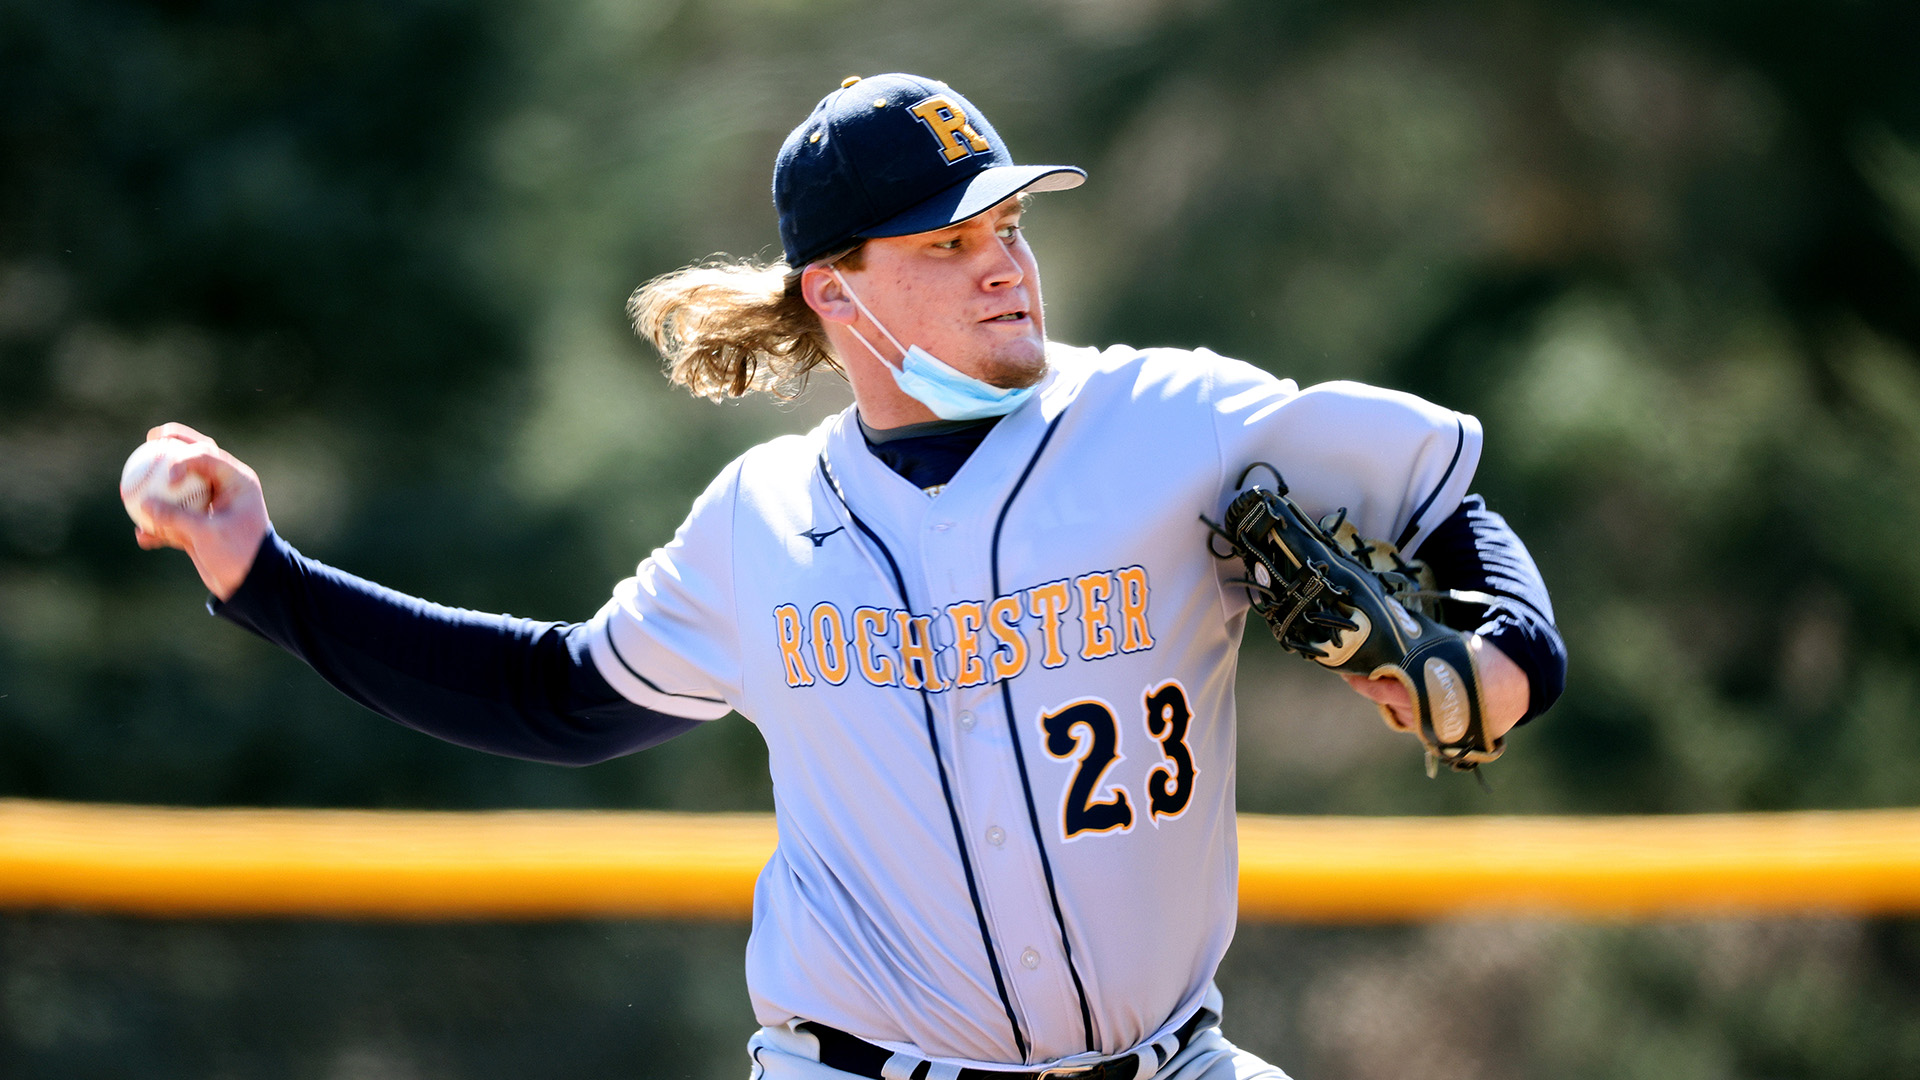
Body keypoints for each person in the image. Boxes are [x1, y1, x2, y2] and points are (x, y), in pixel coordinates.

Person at [134, 73, 1565, 1080]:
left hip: (1166, 1061)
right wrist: (261, 572)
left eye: (1010, 227)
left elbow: (1444, 497)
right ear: (838, 291)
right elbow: (557, 696)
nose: (1006, 266)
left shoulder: (1173, 424)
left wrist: (1507, 656)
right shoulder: (761, 521)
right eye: (950, 243)